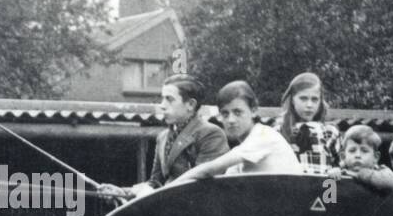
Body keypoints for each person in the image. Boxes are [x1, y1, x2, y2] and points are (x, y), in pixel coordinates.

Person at [97, 74, 228, 201]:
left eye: (169, 99)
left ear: (191, 105)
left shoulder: (211, 134)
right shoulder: (163, 137)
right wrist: (124, 192)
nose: (162, 105)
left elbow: (204, 186)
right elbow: (155, 183)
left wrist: (154, 194)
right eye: (162, 98)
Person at [171, 80, 301, 181]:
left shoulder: (263, 135)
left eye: (237, 112)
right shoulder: (242, 152)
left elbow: (209, 169)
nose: (231, 120)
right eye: (225, 114)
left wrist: (166, 191)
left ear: (254, 110)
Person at [275, 72, 341, 174]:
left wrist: (337, 170)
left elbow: (341, 164)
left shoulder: (330, 132)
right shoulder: (279, 132)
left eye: (314, 99)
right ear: (292, 100)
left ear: (320, 101)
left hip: (323, 188)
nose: (309, 105)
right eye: (303, 98)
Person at [327, 125, 393, 192]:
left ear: (376, 157)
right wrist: (333, 173)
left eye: (364, 151)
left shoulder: (381, 171)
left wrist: (358, 174)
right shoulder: (341, 171)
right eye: (352, 151)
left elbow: (392, 182)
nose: (358, 155)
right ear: (343, 156)